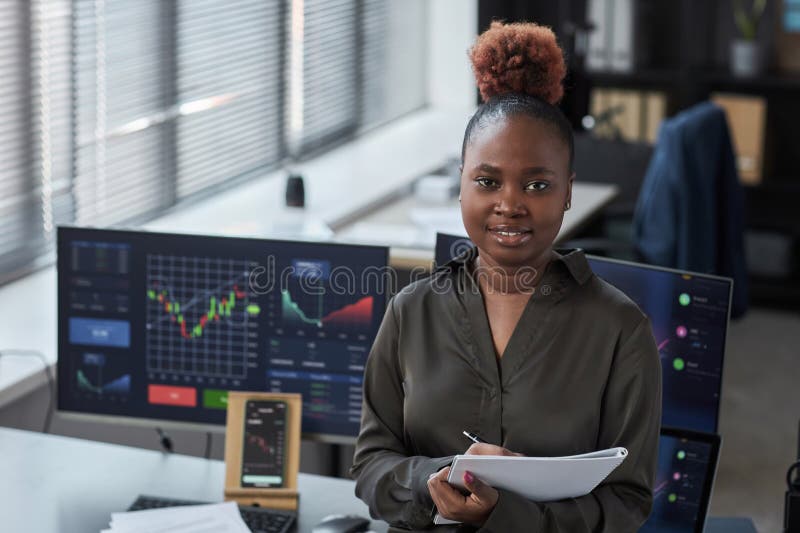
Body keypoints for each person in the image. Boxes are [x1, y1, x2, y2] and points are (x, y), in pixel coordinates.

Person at [350, 21, 661, 532]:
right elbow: (370, 466)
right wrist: (440, 478)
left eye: (537, 184)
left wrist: (506, 515)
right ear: (462, 186)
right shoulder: (412, 311)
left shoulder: (620, 331)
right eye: (487, 181)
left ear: (567, 192)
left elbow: (627, 502)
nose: (509, 205)